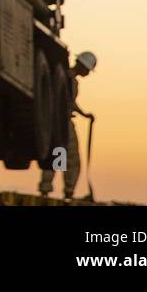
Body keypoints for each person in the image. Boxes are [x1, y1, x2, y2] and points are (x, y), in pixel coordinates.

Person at [39, 51, 97, 200]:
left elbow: (70, 102)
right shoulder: (66, 77)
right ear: (83, 66)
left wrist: (84, 114)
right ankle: (66, 191)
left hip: (58, 122)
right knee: (68, 157)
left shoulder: (69, 78)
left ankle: (48, 189)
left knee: (59, 155)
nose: (88, 74)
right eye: (88, 70)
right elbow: (67, 102)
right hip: (61, 122)